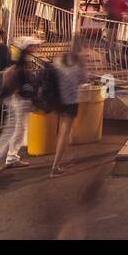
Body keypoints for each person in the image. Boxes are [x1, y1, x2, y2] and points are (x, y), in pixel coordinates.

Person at [0, 37, 41, 172]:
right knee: (14, 132)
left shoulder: (23, 60)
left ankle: (9, 158)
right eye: (34, 46)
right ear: (28, 47)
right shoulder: (22, 62)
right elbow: (22, 82)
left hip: (17, 99)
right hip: (19, 100)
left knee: (16, 131)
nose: (36, 49)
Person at [49, 47, 86, 177]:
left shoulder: (57, 61)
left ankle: (65, 156)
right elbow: (83, 80)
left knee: (63, 132)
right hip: (71, 102)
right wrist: (82, 65)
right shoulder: (76, 66)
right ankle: (55, 166)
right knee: (64, 133)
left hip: (59, 101)